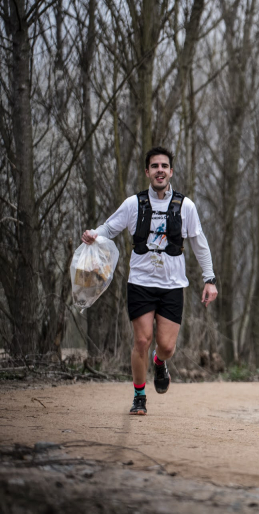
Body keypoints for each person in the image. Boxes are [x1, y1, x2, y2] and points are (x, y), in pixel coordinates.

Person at [81, 146, 218, 416]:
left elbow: (199, 244)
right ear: (147, 171)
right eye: (154, 166)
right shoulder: (134, 204)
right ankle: (139, 395)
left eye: (164, 166)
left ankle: (159, 362)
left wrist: (209, 279)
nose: (160, 170)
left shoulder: (185, 205)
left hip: (172, 285)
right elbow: (109, 228)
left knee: (166, 346)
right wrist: (93, 234)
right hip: (141, 283)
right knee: (141, 341)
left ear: (171, 171)